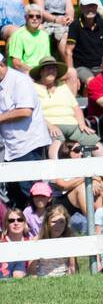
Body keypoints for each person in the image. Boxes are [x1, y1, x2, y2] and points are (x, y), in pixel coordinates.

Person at [0, 60, 52, 209]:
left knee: (35, 195)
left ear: (2, 65)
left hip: (29, 146)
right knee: (17, 198)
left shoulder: (20, 81)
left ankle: (43, 230)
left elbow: (25, 111)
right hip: (11, 148)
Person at [32, 58, 103, 157]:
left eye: (54, 69)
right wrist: (50, 126)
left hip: (72, 125)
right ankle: (54, 170)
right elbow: (34, 112)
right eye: (48, 68)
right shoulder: (33, 87)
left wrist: (82, 124)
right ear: (41, 71)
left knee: (93, 141)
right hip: (50, 125)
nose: (51, 71)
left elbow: (76, 108)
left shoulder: (63, 86)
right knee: (57, 140)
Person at [63, 0, 103, 88]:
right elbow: (68, 51)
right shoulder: (75, 26)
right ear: (81, 7)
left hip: (102, 66)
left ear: (96, 7)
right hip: (82, 67)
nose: (90, 9)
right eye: (87, 6)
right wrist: (72, 75)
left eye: (93, 6)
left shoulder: (102, 23)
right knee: (93, 82)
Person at [27, 205, 77, 278]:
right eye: (54, 221)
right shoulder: (37, 240)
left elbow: (72, 267)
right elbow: (31, 270)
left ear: (66, 223)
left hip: (63, 278)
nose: (58, 226)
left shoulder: (69, 240)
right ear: (47, 223)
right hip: (41, 278)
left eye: (61, 221)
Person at [7, 3, 55, 77]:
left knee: (71, 73)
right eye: (31, 16)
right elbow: (16, 63)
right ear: (26, 18)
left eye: (38, 16)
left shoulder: (44, 35)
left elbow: (47, 59)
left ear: (41, 19)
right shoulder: (18, 35)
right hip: (24, 71)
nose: (34, 18)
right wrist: (34, 71)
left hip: (42, 71)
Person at [1, 206, 31, 279]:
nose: (16, 223)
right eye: (11, 220)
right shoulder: (1, 242)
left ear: (24, 223)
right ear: (6, 224)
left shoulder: (30, 242)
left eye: (20, 220)